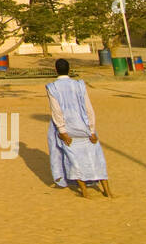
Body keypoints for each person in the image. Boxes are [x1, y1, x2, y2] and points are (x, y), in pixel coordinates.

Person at [46, 58, 111, 198]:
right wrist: (92, 130)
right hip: (84, 126)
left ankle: (85, 192)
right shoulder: (79, 85)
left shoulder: (52, 87)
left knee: (73, 159)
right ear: (69, 69)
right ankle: (107, 191)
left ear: (56, 70)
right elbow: (88, 107)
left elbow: (56, 110)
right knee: (96, 156)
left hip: (68, 129)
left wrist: (62, 131)